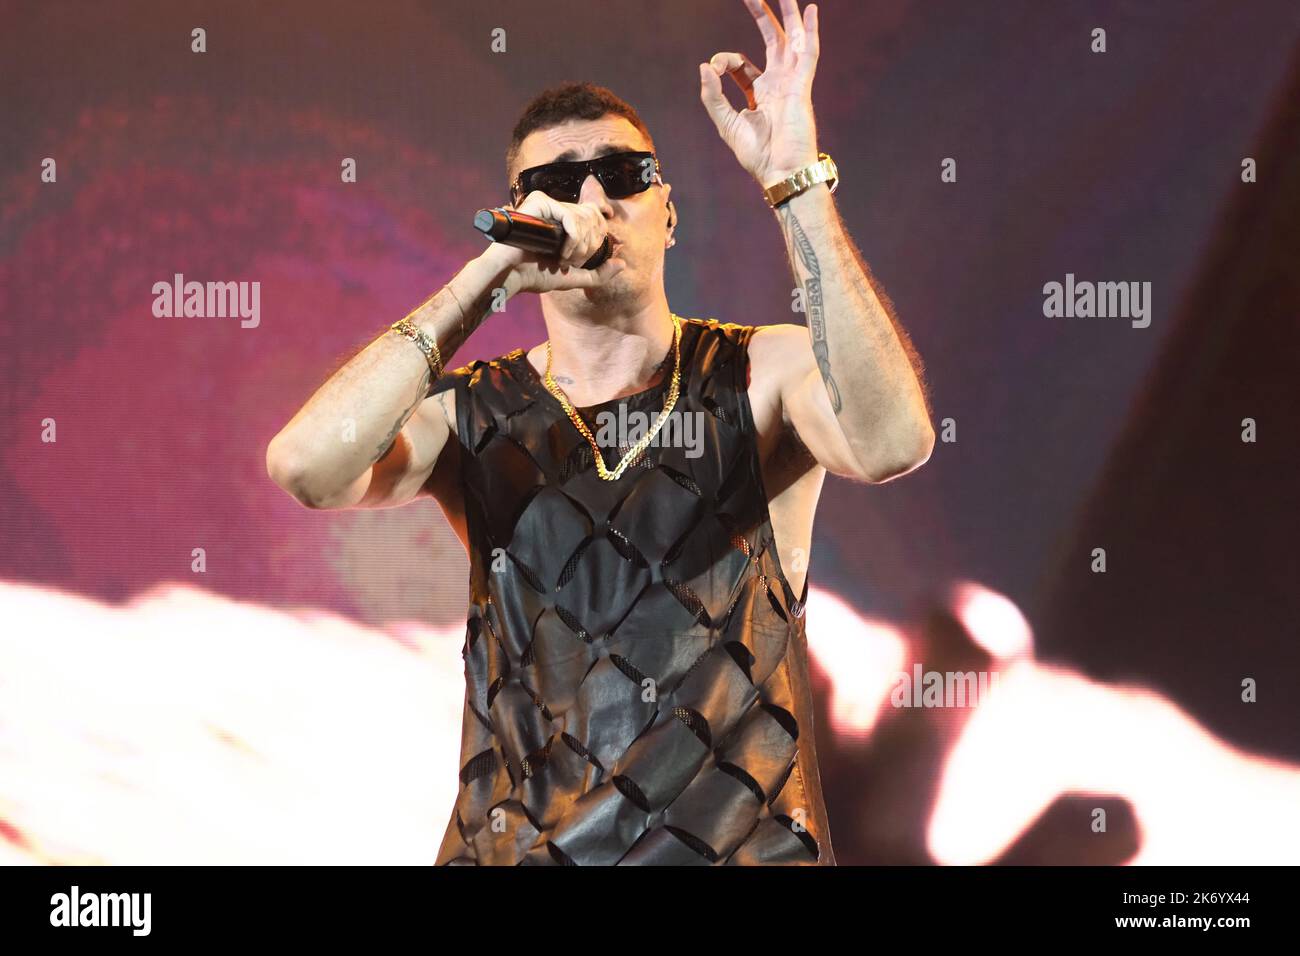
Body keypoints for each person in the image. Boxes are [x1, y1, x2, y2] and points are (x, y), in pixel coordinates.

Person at [266, 0, 933, 865]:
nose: (592, 200)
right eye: (556, 184)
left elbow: (891, 442)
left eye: (623, 174)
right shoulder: (472, 415)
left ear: (669, 212)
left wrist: (796, 183)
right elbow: (305, 465)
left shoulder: (762, 374)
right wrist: (486, 278)